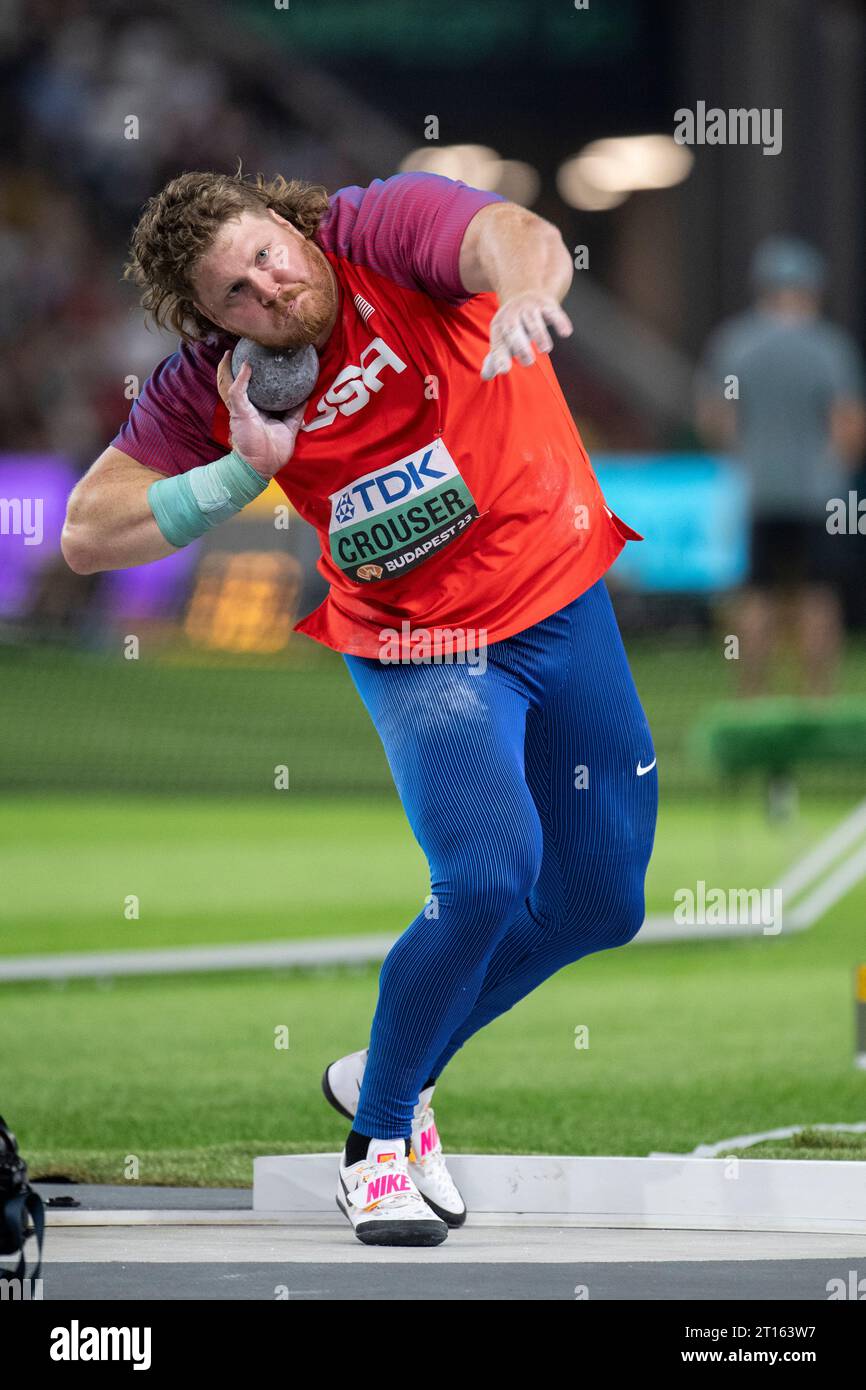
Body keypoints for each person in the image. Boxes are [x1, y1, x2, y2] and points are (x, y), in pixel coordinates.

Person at [60, 168, 658, 1247]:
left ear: (288, 224)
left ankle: (387, 1066)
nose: (269, 288)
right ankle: (379, 1142)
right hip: (420, 644)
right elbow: (86, 534)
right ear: (210, 322)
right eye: (234, 293)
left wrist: (523, 293)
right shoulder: (216, 384)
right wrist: (239, 477)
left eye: (266, 253)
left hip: (561, 604)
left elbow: (508, 234)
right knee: (485, 875)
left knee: (602, 901)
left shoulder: (378, 230)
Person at [696, 236, 866, 697]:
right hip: (818, 492)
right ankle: (817, 698)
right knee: (818, 593)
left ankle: (752, 696)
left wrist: (746, 458)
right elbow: (847, 424)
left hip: (754, 489)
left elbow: (717, 419)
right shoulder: (829, 346)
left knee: (756, 593)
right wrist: (831, 470)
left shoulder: (734, 343)